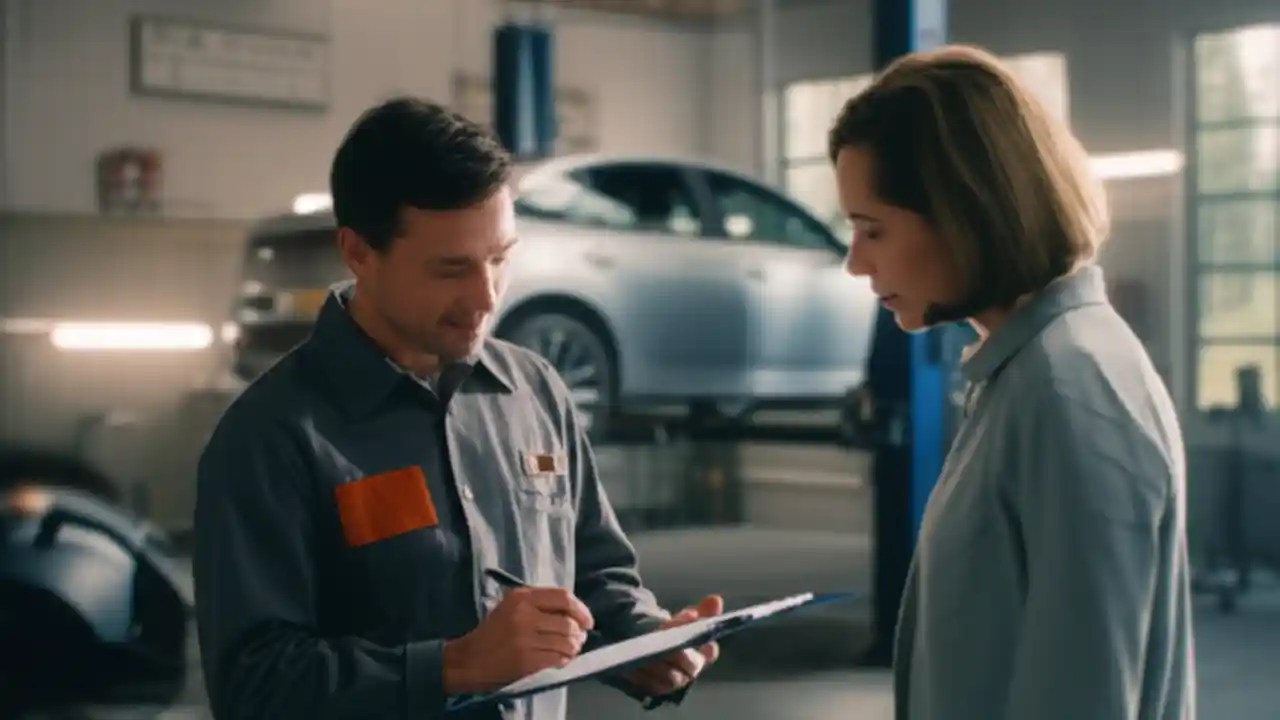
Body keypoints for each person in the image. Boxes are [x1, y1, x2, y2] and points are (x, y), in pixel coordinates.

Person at [193, 97, 722, 720]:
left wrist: (644, 641)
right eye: (451, 269)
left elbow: (597, 575)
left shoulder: (535, 391)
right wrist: (454, 667)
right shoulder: (271, 436)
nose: (486, 296)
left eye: (500, 258)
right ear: (359, 252)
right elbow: (254, 687)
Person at [827, 45, 1195, 719]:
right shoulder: (1025, 375)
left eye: (872, 230)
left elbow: (1086, 695)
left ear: (965, 213)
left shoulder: (1069, 390)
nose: (855, 263)